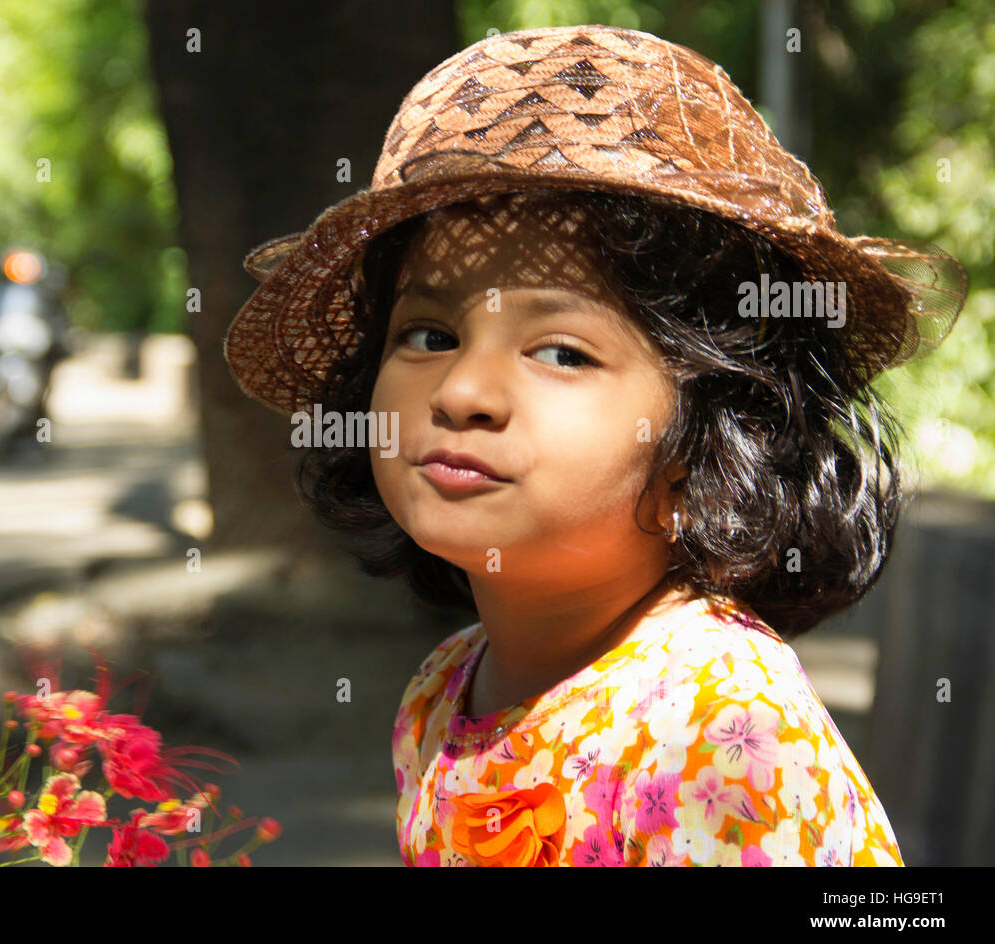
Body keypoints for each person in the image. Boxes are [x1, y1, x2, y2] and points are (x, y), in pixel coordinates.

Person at [222, 25, 968, 866]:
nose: (463, 392)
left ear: (718, 428)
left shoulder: (720, 729)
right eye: (428, 335)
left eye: (562, 353)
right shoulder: (445, 688)